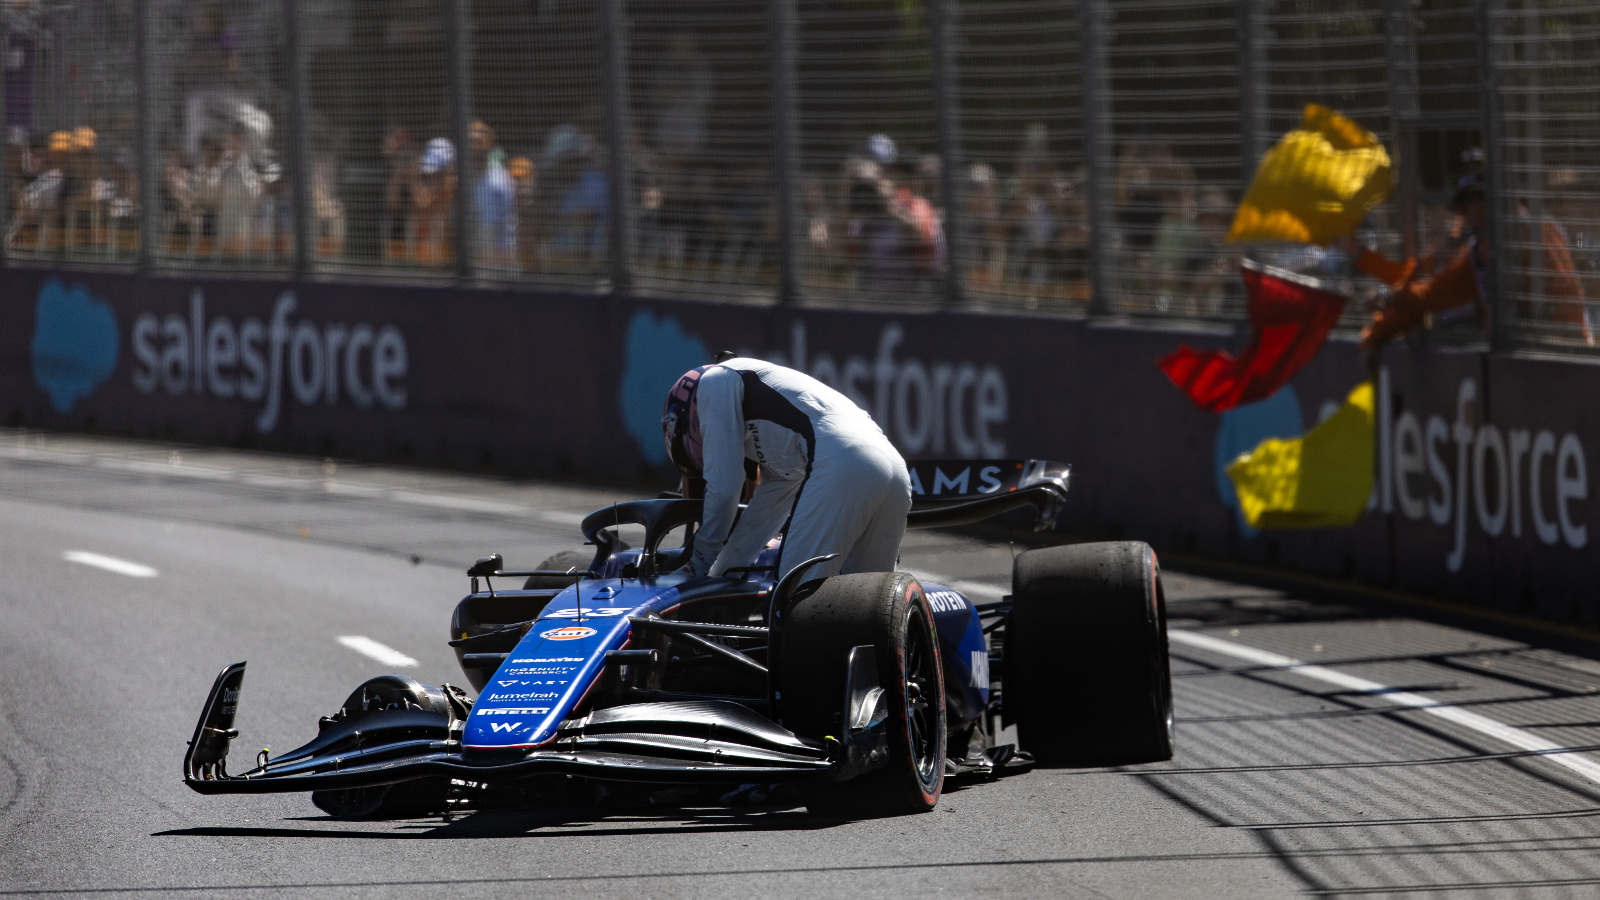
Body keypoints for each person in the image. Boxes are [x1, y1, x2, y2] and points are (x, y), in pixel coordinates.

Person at [661, 357, 912, 583]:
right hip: (895, 470)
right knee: (865, 614)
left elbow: (725, 488)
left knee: (795, 602)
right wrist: (721, 574)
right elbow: (756, 528)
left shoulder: (713, 381)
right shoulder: (783, 452)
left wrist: (697, 565)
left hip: (845, 461)